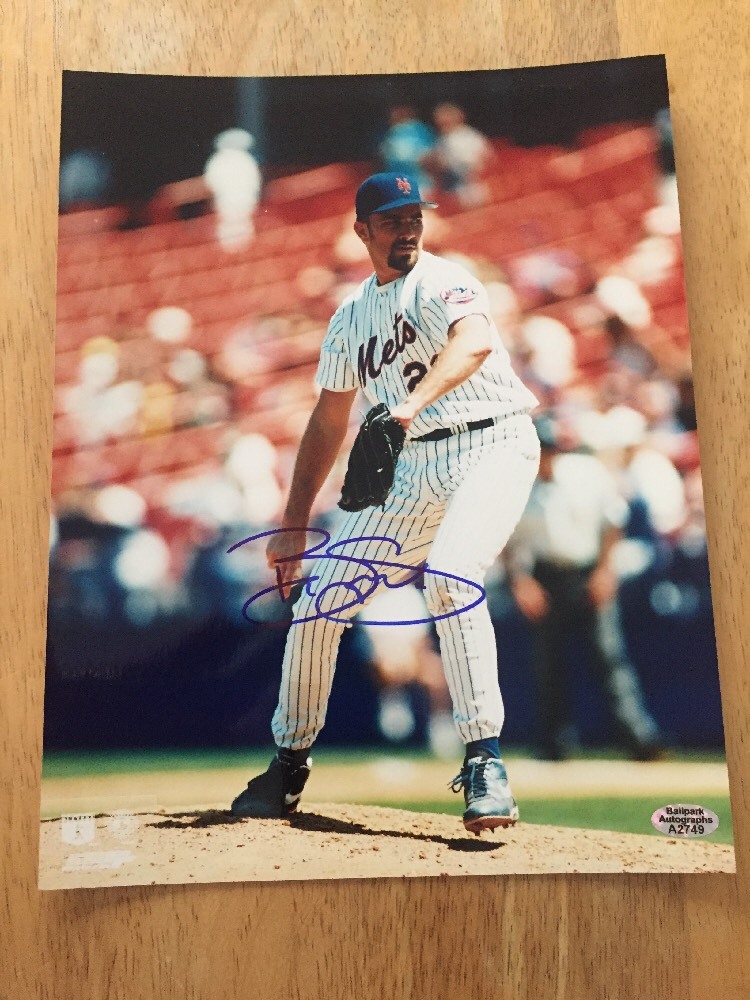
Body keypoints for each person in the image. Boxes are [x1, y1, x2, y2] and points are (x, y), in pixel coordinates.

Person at [230, 172, 540, 834]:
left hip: (492, 444)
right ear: (362, 230)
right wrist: (292, 525)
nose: (407, 228)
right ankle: (289, 764)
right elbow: (326, 420)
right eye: (392, 219)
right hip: (411, 462)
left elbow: (476, 341)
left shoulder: (446, 279)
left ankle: (485, 761)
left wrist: (406, 407)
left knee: (452, 578)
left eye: (414, 217)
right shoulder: (349, 319)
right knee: (320, 601)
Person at [505, 414, 664, 761]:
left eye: (548, 449)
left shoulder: (586, 474)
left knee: (608, 656)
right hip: (546, 576)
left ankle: (639, 738)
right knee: (548, 664)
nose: (544, 457)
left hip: (588, 570)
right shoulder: (514, 482)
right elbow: (507, 541)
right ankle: (554, 743)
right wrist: (521, 582)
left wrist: (606, 571)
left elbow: (613, 522)